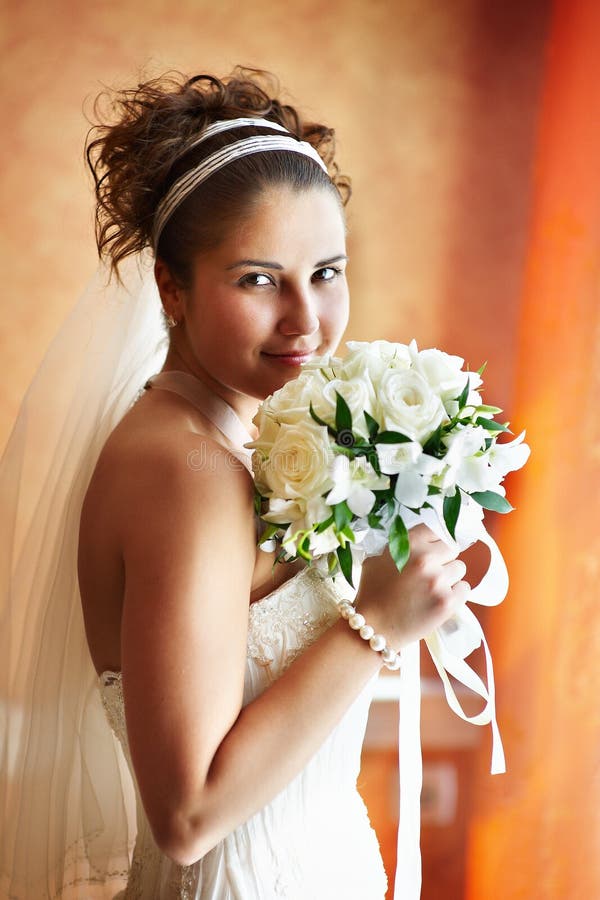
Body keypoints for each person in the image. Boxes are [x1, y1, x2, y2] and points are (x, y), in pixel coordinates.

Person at [0, 68, 470, 899]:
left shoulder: (232, 435)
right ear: (171, 289)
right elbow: (188, 817)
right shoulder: (186, 473)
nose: (306, 319)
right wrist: (377, 623)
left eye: (327, 271)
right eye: (258, 279)